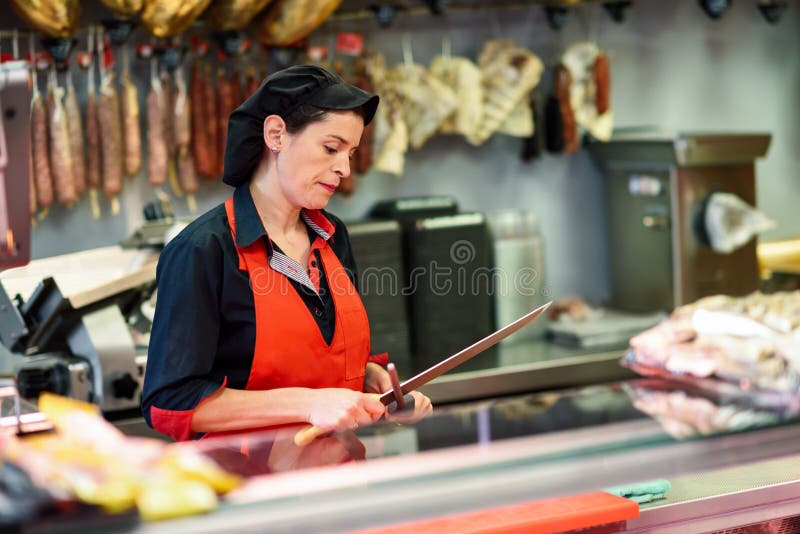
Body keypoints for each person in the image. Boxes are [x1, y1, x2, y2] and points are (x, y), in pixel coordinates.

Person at [141, 65, 432, 442]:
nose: (344, 168)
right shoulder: (203, 250)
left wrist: (373, 383)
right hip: (251, 489)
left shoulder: (332, 235)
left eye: (351, 152)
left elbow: (323, 357)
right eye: (331, 148)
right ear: (276, 134)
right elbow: (171, 401)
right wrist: (308, 404)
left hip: (337, 478)